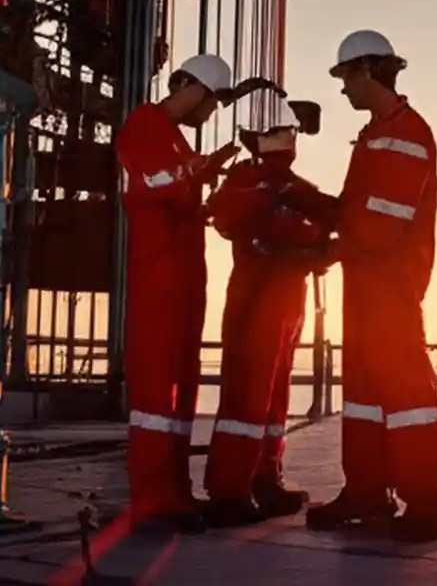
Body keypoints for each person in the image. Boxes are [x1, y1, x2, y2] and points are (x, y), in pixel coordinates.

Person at [298, 29, 437, 543]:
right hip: (366, 279)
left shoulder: (406, 134)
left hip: (389, 280)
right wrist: (316, 210)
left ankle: (428, 503)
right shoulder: (376, 133)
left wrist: (329, 246)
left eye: (345, 78)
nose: (342, 90)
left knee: (405, 390)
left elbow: (384, 220)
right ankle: (366, 491)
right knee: (363, 390)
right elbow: (356, 207)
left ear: (367, 71)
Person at [115, 54, 271, 533]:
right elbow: (157, 185)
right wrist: (205, 169)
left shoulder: (177, 140)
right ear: (195, 89)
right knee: (157, 396)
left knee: (180, 394)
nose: (210, 114)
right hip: (157, 281)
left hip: (182, 280)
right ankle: (152, 499)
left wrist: (209, 172)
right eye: (212, 103)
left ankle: (176, 493)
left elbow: (180, 191)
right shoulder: (144, 124)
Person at [201, 102, 334, 528]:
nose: (291, 140)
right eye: (283, 131)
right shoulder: (248, 182)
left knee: (273, 396)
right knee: (246, 393)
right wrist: (294, 225)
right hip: (256, 299)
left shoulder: (291, 186)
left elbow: (321, 225)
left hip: (285, 299)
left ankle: (264, 479)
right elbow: (225, 215)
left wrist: (309, 238)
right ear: (260, 137)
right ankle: (229, 489)